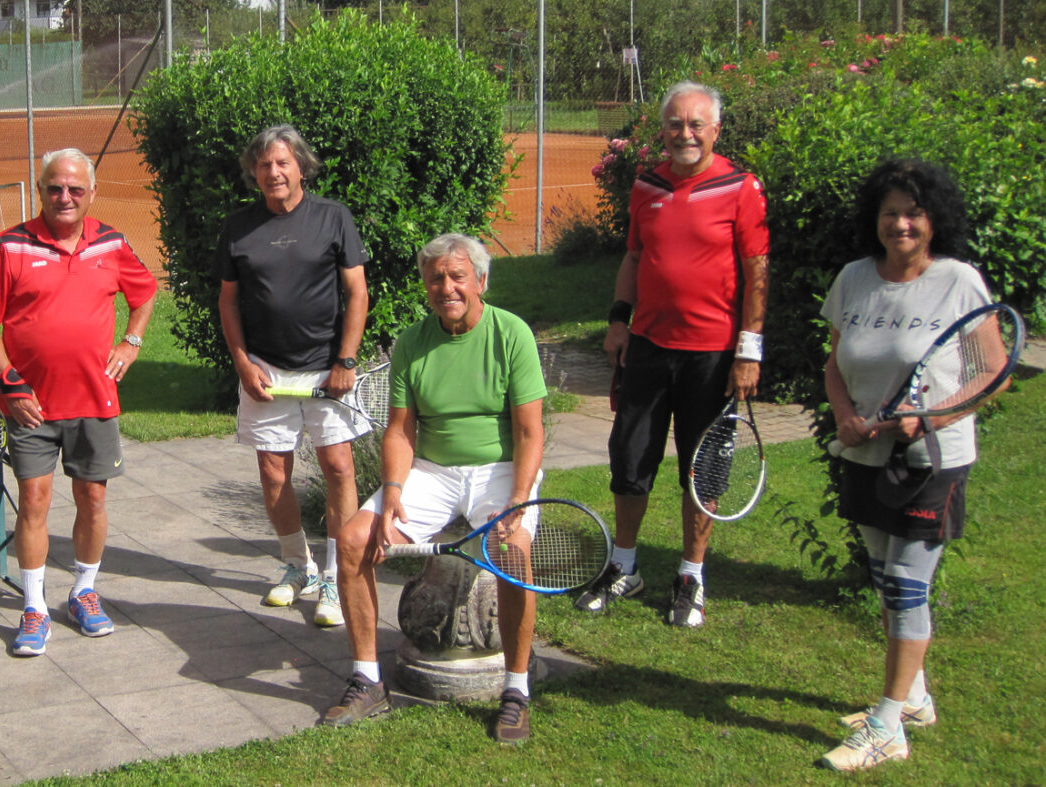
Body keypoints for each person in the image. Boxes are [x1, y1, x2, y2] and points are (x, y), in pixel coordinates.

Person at [321, 234, 547, 743]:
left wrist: (518, 497)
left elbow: (530, 432)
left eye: (457, 276)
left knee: (512, 554)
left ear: (481, 282)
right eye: (436, 278)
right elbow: (400, 430)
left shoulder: (512, 334)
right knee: (354, 540)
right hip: (432, 471)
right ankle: (367, 682)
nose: (447, 287)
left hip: (502, 468)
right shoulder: (413, 341)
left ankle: (516, 689)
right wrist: (395, 486)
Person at [817, 159, 997, 771]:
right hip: (866, 450)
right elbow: (834, 363)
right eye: (891, 212)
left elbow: (990, 372)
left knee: (905, 582)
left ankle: (888, 726)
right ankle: (915, 697)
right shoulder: (854, 279)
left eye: (913, 213)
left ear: (933, 220)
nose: (901, 224)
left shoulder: (958, 282)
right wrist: (842, 414)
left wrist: (934, 417)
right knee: (880, 570)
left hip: (932, 460)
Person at [579, 81, 770, 627]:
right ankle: (624, 567)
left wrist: (748, 350)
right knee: (630, 460)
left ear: (715, 130)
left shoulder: (741, 187)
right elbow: (634, 258)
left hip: (712, 358)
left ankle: (691, 575)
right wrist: (619, 320)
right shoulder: (647, 186)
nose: (684, 134)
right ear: (661, 129)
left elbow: (757, 270)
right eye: (674, 124)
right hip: (647, 350)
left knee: (701, 469)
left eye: (696, 125)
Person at [0, 148, 156, 657]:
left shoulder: (112, 243)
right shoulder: (10, 247)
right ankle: (33, 607)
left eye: (75, 188)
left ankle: (84, 591)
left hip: (95, 401)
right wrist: (8, 379)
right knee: (34, 502)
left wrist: (130, 343)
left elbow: (144, 294)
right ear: (40, 190)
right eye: (55, 188)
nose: (65, 197)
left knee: (93, 500)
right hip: (30, 406)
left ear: (91, 193)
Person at [216, 124, 370, 628]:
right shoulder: (238, 226)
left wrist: (345, 362)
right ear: (253, 174)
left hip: (327, 371)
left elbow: (357, 293)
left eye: (282, 163)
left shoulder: (334, 217)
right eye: (263, 165)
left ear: (300, 167)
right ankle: (296, 566)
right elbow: (228, 301)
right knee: (273, 472)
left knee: (339, 468)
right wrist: (243, 363)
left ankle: (334, 574)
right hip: (266, 371)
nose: (273, 172)